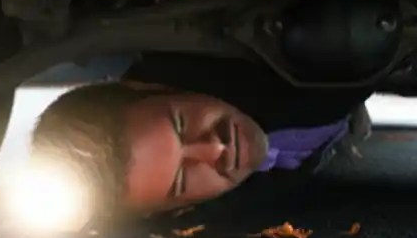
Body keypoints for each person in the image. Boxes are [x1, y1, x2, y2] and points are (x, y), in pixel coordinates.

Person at [29, 52, 372, 217]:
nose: (217, 147)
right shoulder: (210, 213)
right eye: (182, 180)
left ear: (151, 85)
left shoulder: (257, 57)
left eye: (182, 123)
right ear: (175, 209)